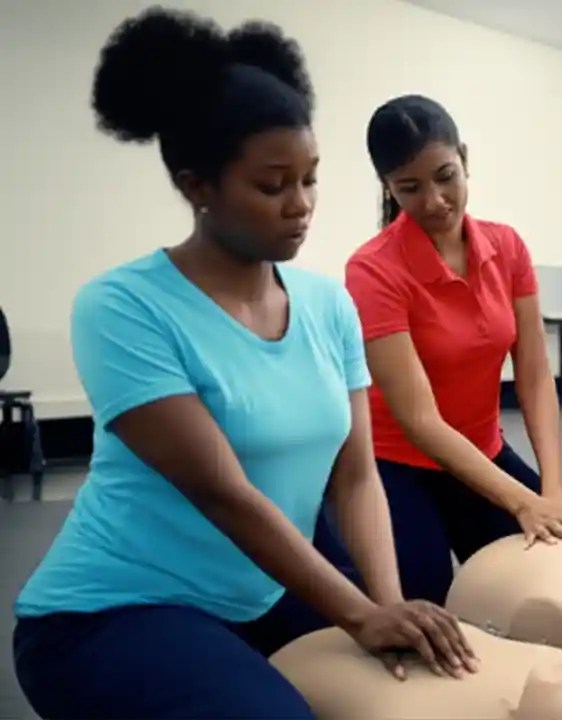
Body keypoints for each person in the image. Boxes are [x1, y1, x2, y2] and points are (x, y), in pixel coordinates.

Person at [10, 9, 475, 720]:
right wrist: (357, 616)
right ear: (198, 186)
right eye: (273, 185)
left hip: (266, 594)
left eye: (312, 180)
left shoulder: (326, 305)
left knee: (439, 684)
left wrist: (388, 606)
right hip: (115, 613)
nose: (301, 207)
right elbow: (223, 491)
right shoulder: (123, 307)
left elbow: (355, 475)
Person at [320, 94, 562, 606]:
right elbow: (419, 420)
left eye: (446, 176)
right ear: (388, 187)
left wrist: (550, 491)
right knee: (424, 604)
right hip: (395, 464)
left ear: (464, 159)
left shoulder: (508, 246)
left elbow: (535, 375)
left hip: (483, 450)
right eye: (410, 187)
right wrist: (521, 501)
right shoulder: (373, 270)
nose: (434, 200)